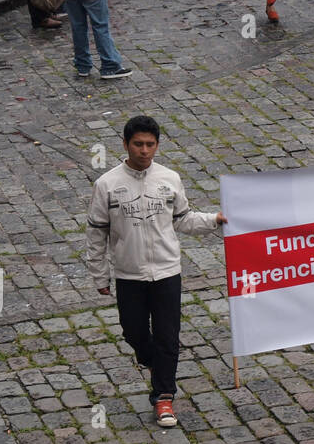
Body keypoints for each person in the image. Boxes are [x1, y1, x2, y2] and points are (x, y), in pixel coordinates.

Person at [85, 114, 225, 427]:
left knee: (168, 337)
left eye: (150, 145)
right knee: (133, 331)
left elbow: (182, 219)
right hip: (128, 274)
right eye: (138, 144)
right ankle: (155, 364)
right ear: (125, 144)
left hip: (167, 272)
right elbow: (96, 234)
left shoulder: (169, 179)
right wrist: (99, 275)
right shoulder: (106, 185)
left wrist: (213, 220)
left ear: (157, 145)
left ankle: (163, 397)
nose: (144, 151)